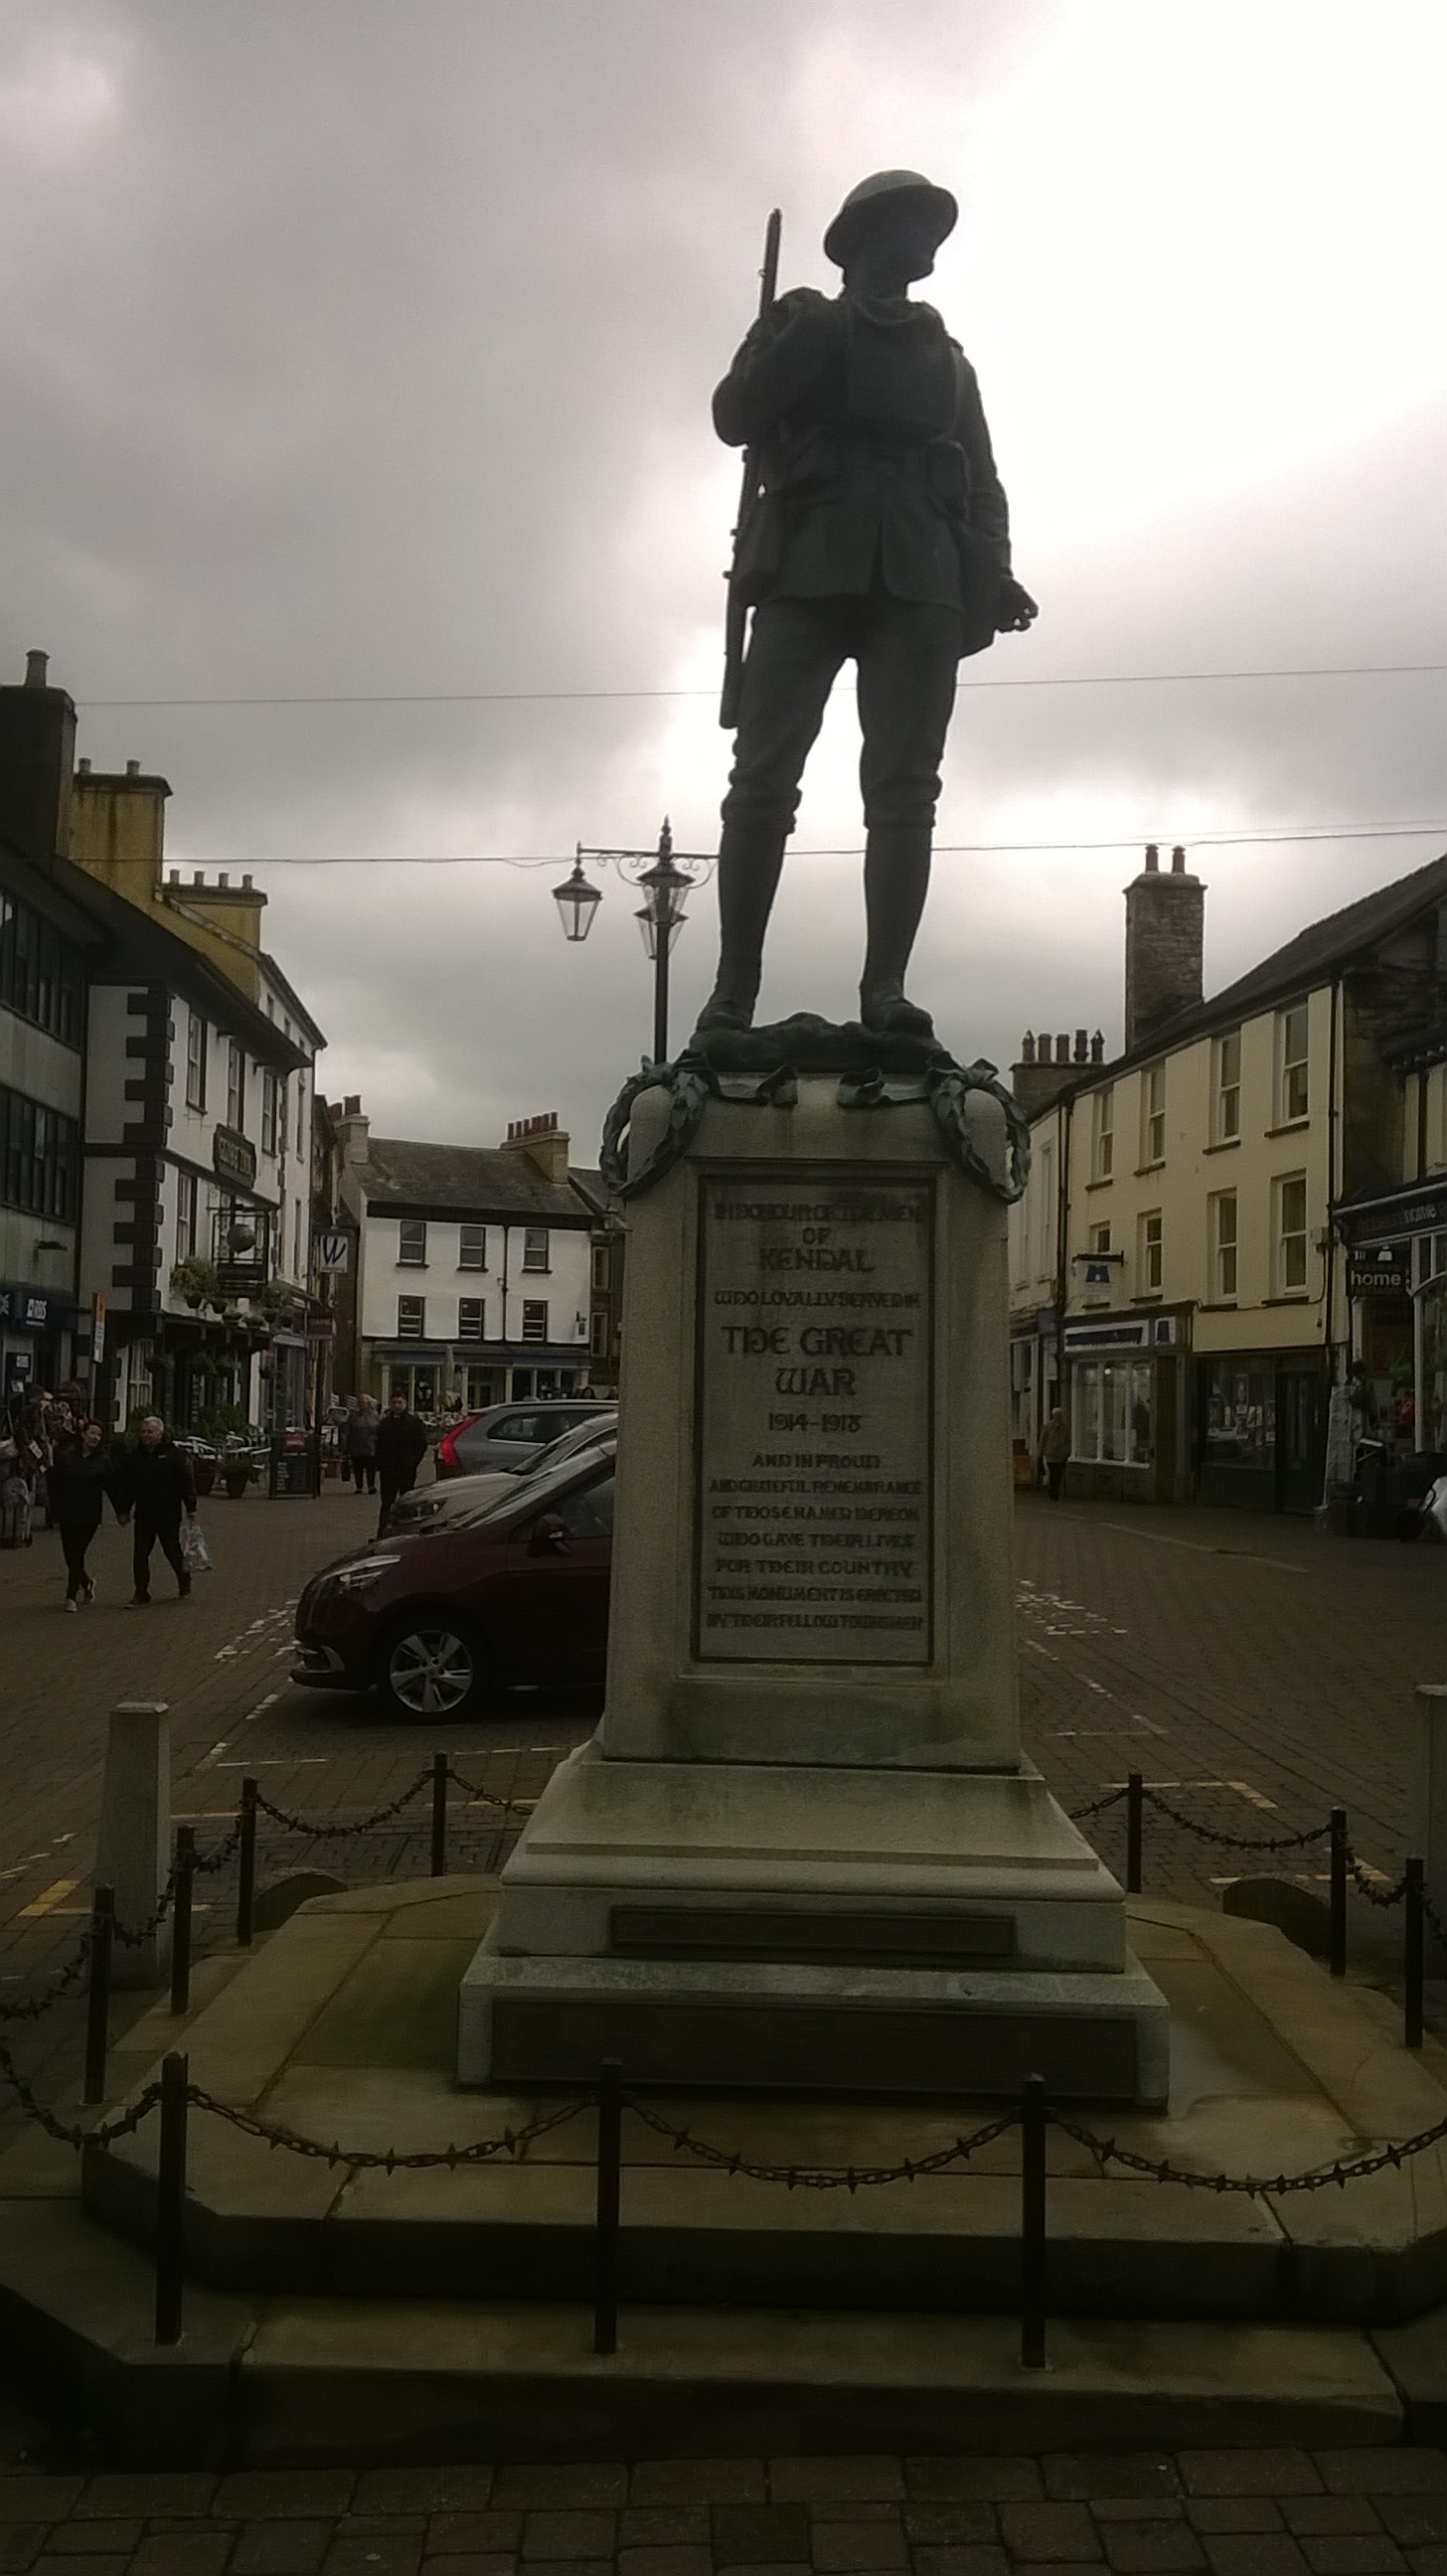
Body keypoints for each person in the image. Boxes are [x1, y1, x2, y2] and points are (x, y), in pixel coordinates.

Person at [697, 169, 1037, 1043]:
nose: (926, 243)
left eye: (934, 229)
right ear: (862, 237)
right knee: (762, 786)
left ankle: (885, 992)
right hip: (807, 562)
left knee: (905, 793)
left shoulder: (951, 363)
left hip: (921, 577)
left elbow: (984, 482)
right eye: (910, 224)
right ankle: (732, 996)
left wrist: (994, 572)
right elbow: (734, 416)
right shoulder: (808, 320)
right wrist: (790, 347)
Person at [117, 1415, 198, 1604]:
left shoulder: (173, 1454)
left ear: (160, 1434)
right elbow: (128, 1486)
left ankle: (184, 1580)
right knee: (140, 1555)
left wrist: (190, 1506)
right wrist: (123, 1509)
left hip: (168, 1514)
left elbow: (186, 1481)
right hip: (144, 1513)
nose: (146, 1435)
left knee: (172, 1551)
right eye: (144, 1431)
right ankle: (141, 1592)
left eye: (150, 1432)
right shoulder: (135, 1458)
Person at [49, 1420, 124, 1608]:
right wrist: (54, 1509)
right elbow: (56, 1483)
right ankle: (86, 1582)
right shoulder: (66, 1456)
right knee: (70, 1555)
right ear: (83, 1434)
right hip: (67, 1513)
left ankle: (71, 1596)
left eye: (98, 1435)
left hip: (88, 1515)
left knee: (78, 1553)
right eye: (92, 1433)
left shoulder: (103, 1460)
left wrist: (121, 1511)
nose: (95, 1438)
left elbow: (112, 1487)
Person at [375, 1390, 427, 1534]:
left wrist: (413, 1462)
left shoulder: (414, 1423)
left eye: (400, 1402)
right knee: (387, 1503)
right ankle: (382, 1532)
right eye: (394, 1403)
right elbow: (378, 1444)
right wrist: (380, 1463)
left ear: (405, 1403)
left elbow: (422, 1444)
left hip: (406, 1470)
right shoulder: (385, 1423)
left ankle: (406, 1531)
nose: (397, 1406)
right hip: (388, 1470)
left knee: (407, 1502)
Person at [345, 1394, 380, 1494]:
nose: (362, 1405)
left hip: (371, 1445)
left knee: (371, 1468)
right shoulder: (353, 1416)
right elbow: (348, 1430)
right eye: (360, 1403)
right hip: (356, 1445)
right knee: (357, 1467)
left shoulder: (375, 1415)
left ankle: (371, 1486)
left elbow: (378, 1429)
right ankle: (359, 1486)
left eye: (364, 1403)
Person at [1038, 1406, 1070, 1503]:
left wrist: (1067, 1451)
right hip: (1051, 1454)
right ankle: (1053, 1491)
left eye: (1060, 1415)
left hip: (1061, 1455)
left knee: (1059, 1474)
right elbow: (1043, 1440)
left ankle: (1055, 1490)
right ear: (1054, 1416)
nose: (1059, 1417)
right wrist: (1040, 1453)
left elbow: (1068, 1440)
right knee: (1053, 1473)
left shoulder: (1065, 1427)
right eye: (1057, 1415)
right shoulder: (1048, 1426)